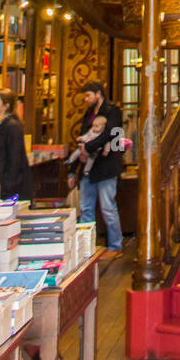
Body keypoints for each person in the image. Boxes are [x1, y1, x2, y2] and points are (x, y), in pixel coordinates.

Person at [77, 81, 124, 257]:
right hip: (88, 166)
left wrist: (88, 148)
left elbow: (110, 133)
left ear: (98, 94)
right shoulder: (89, 113)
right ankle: (86, 247)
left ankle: (115, 245)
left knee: (107, 207)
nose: (86, 99)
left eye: (88, 95)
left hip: (106, 165)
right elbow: (83, 134)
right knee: (86, 208)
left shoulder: (112, 111)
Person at [0, 88, 31, 201]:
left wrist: (7, 190)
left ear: (6, 106)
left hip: (10, 190)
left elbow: (15, 161)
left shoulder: (12, 126)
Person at [67, 115, 108, 187]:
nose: (94, 128)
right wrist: (72, 173)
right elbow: (80, 146)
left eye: (96, 126)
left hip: (103, 174)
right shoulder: (88, 125)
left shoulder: (108, 125)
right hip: (86, 176)